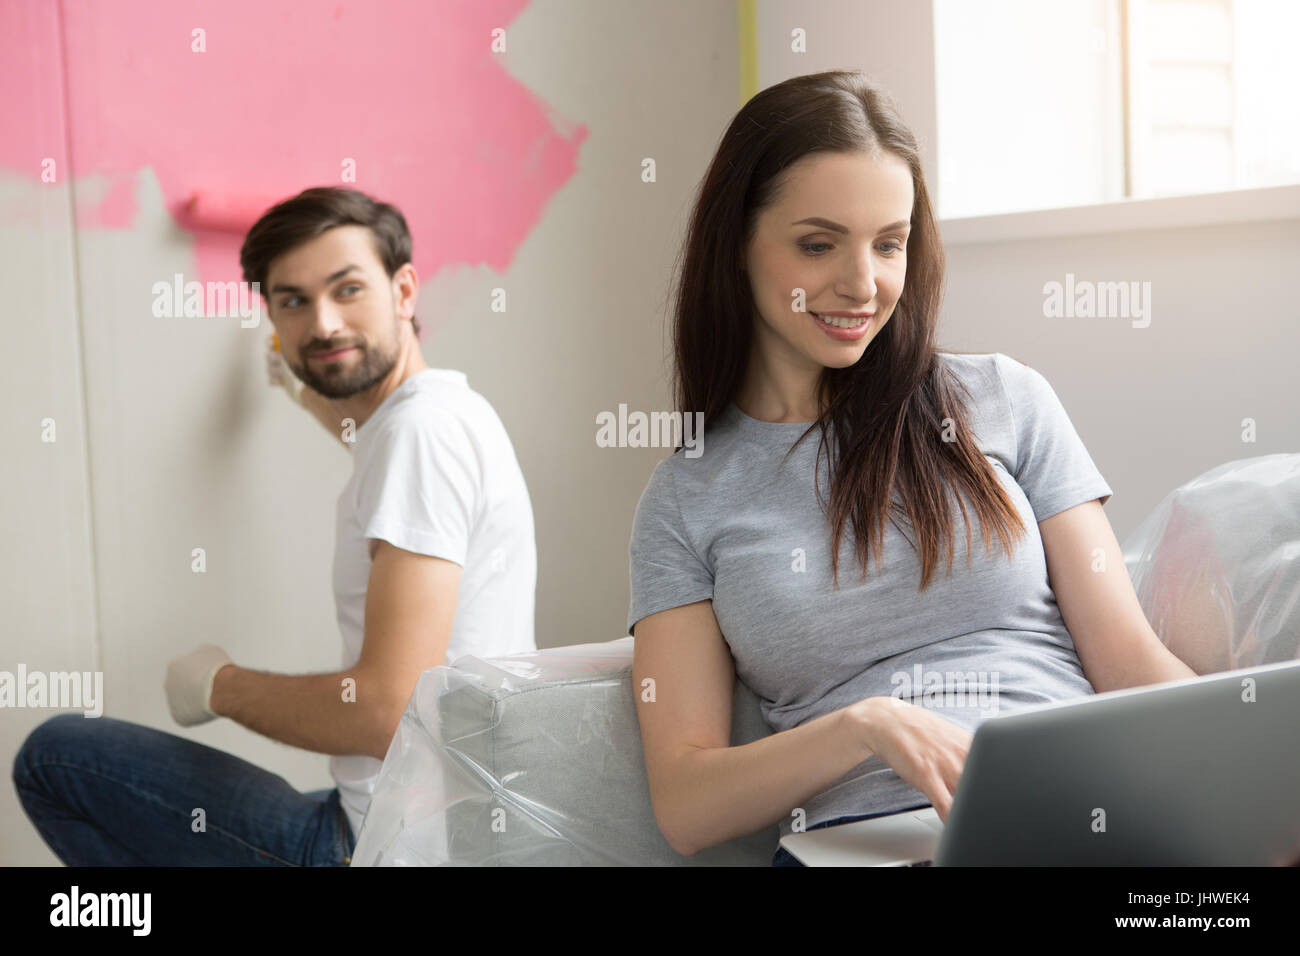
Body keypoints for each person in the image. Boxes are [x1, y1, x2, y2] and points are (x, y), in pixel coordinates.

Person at [624, 70, 1196, 866]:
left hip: (1080, 815)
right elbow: (687, 803)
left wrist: (1247, 778)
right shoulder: (684, 502)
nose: (864, 285)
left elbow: (1130, 663)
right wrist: (865, 728)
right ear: (737, 245)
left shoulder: (1004, 398)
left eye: (889, 243)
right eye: (818, 244)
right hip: (875, 849)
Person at [13, 187, 537, 865]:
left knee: (55, 759)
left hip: (378, 848)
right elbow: (385, 454)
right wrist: (321, 403)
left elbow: (385, 711)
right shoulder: (438, 418)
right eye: (292, 301)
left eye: (347, 290)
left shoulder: (418, 436)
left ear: (404, 291)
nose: (322, 324)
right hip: (436, 833)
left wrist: (219, 685)